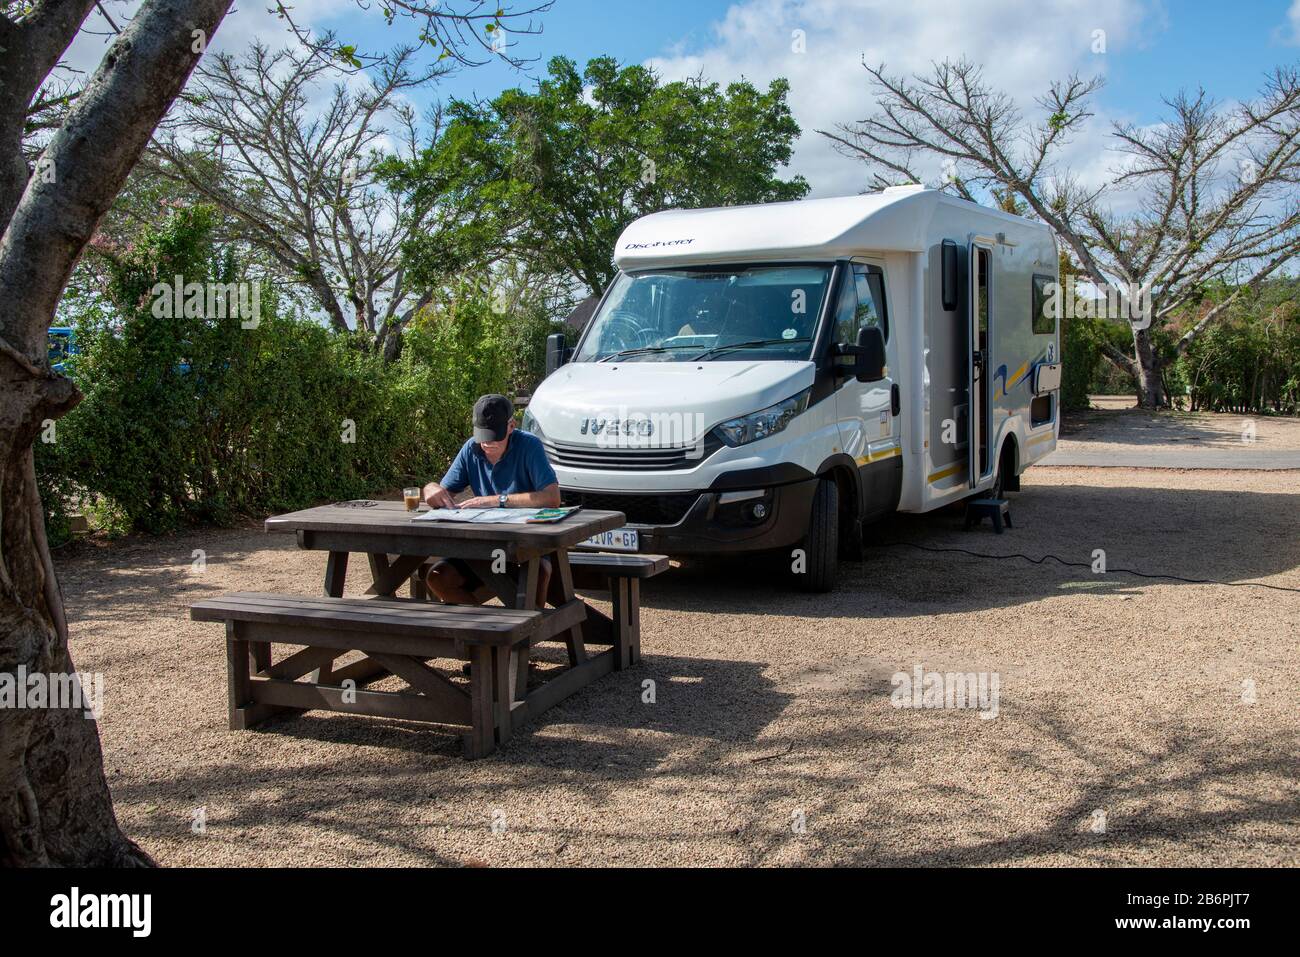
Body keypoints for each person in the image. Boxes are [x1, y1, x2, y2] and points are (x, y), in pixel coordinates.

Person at [422, 394, 560, 606]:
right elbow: (444, 494)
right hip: (482, 548)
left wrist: (497, 500)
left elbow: (552, 498)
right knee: (438, 576)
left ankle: (525, 634)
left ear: (511, 426)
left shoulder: (529, 445)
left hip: (528, 546)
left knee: (537, 572)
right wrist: (430, 488)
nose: (488, 443)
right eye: (482, 436)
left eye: (495, 436)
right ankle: (485, 635)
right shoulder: (471, 448)